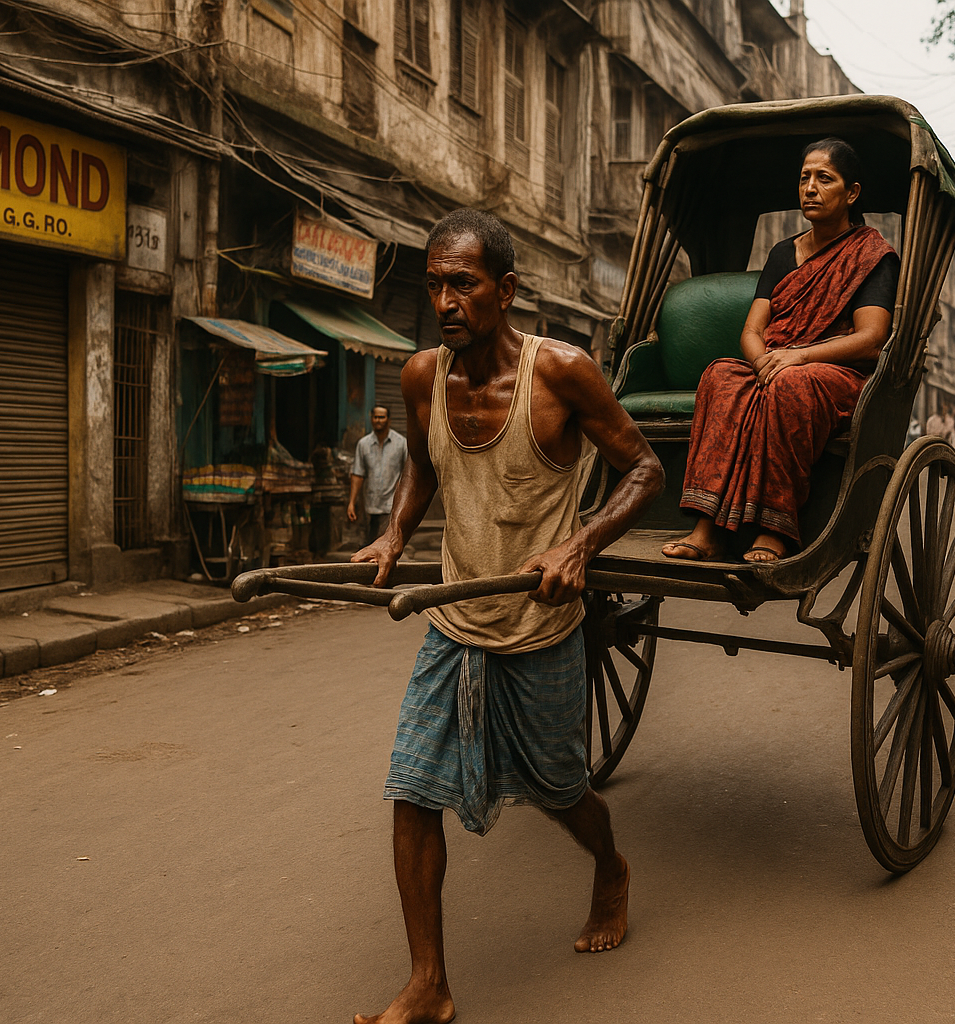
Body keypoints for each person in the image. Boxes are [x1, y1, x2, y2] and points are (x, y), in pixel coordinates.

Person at [351, 208, 664, 1024]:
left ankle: (611, 868)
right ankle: (429, 983)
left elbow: (644, 470)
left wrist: (582, 547)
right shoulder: (422, 377)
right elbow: (422, 467)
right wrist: (393, 536)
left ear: (507, 289)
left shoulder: (562, 373)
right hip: (454, 627)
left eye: (464, 283)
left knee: (562, 791)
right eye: (434, 285)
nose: (445, 301)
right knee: (412, 791)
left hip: (540, 626)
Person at [661, 137, 899, 563]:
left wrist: (800, 355)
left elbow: (871, 338)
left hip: (836, 372)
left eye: (825, 179)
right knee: (720, 374)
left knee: (791, 383)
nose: (810, 187)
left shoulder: (871, 255)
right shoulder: (782, 253)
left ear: (852, 193)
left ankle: (775, 528)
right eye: (804, 178)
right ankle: (706, 528)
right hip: (774, 364)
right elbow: (753, 329)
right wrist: (761, 361)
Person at [348, 405, 407, 545]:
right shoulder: (363, 444)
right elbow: (358, 474)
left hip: (391, 506)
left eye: (382, 417)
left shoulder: (401, 443)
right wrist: (351, 503)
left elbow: (407, 475)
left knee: (387, 545)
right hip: (369, 506)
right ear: (371, 419)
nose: (378, 420)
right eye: (375, 417)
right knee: (368, 544)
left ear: (389, 420)